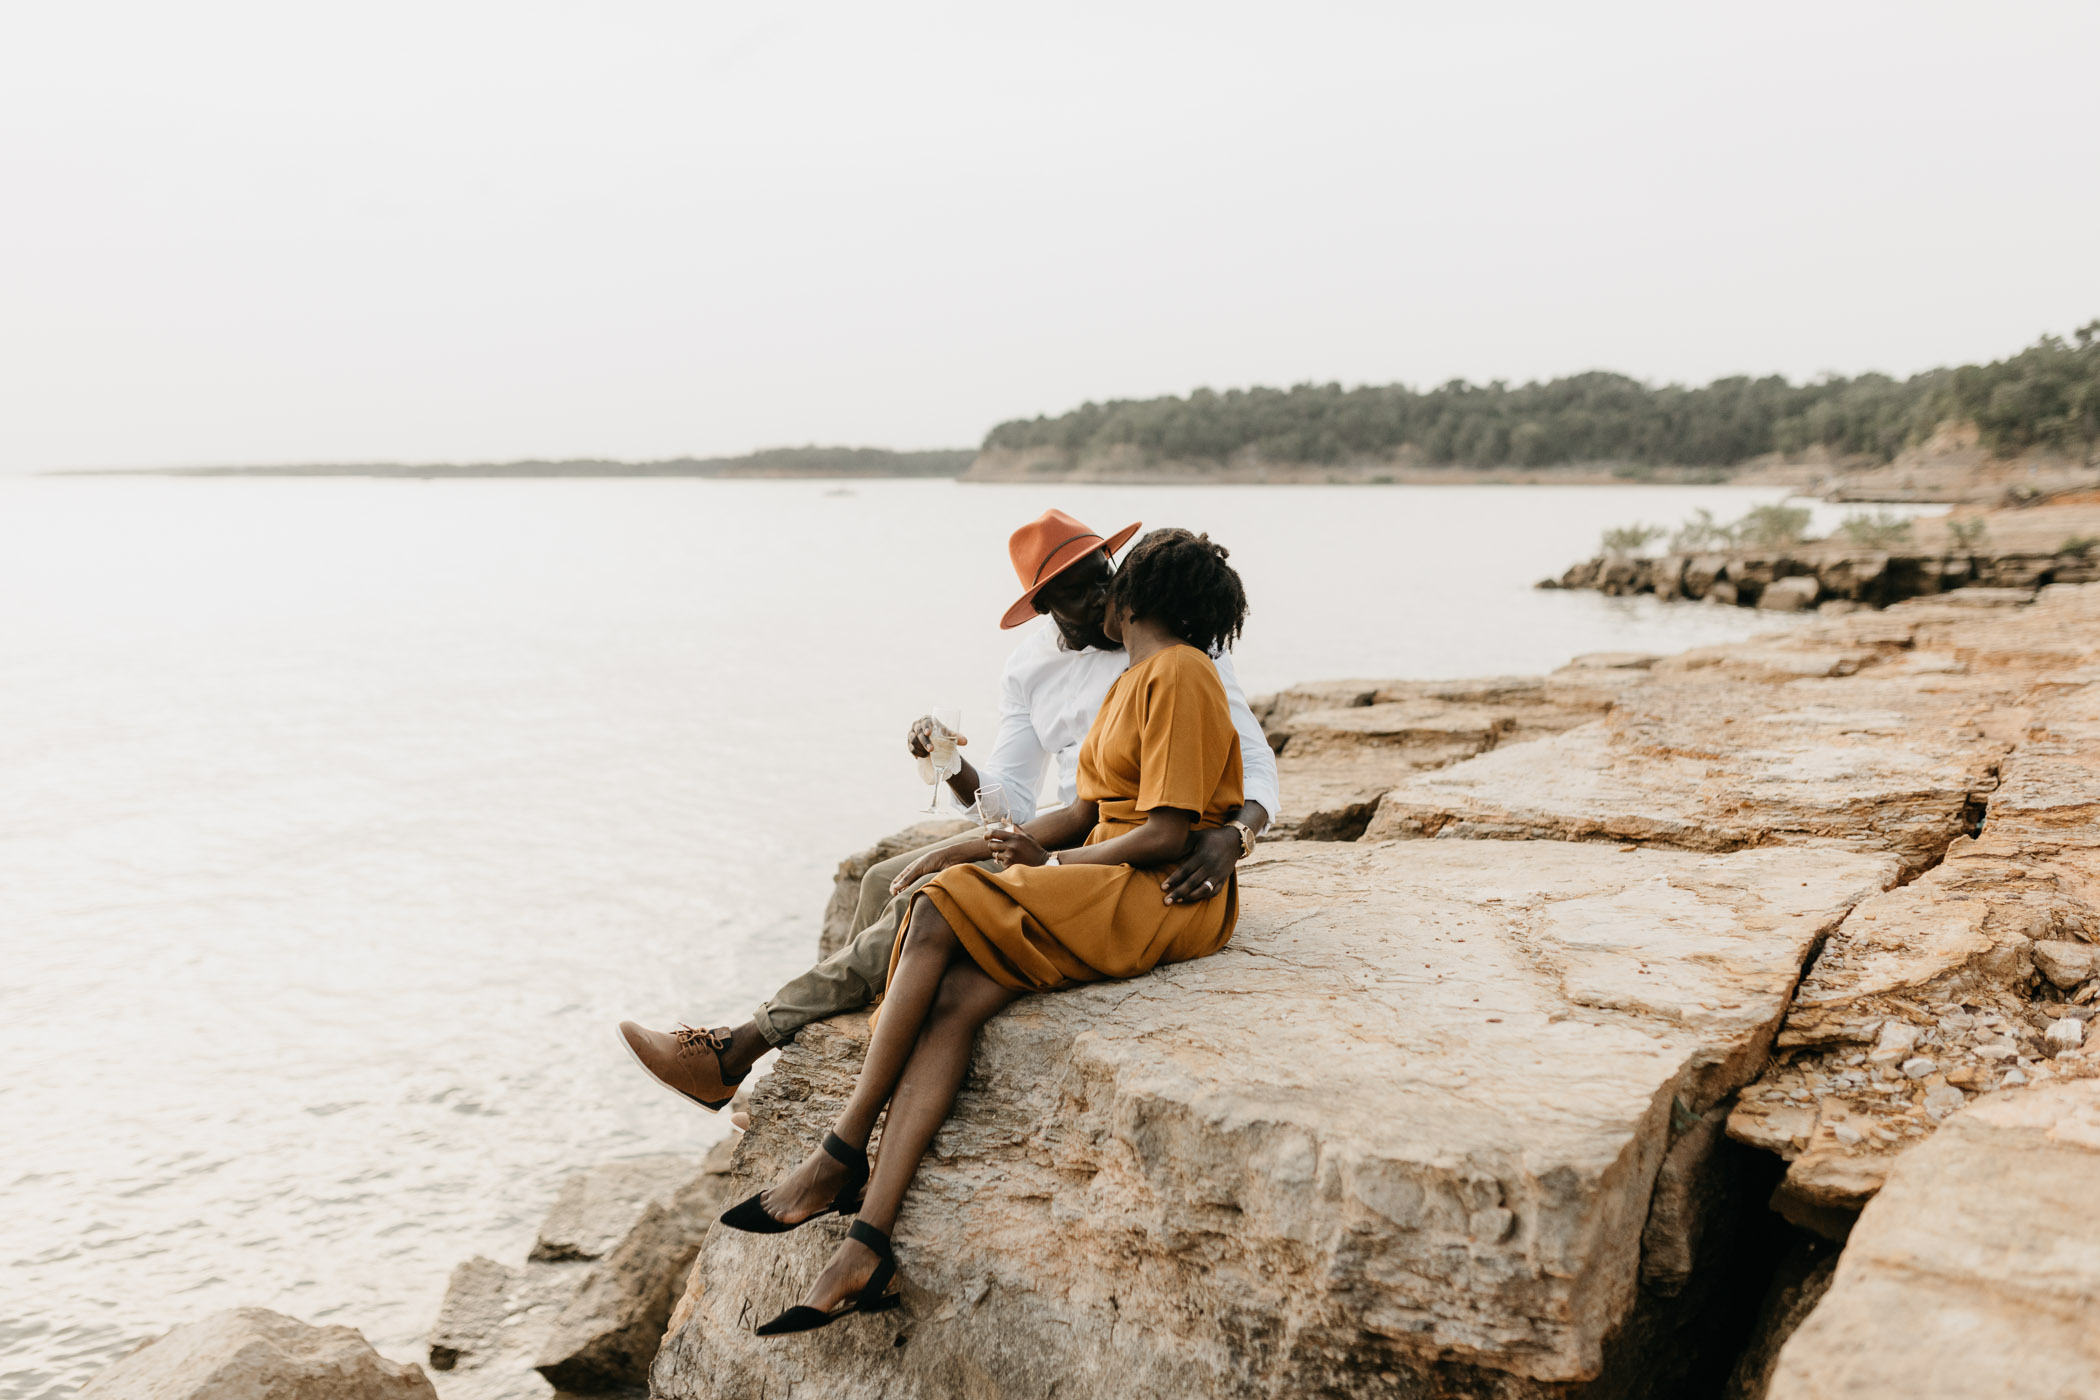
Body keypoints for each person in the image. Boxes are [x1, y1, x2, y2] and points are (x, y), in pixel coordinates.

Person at [724, 528, 1254, 1334]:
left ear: (1136, 600)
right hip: (1114, 874)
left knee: (941, 904)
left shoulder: (1182, 674)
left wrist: (1040, 867)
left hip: (1159, 894)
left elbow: (1169, 832)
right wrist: (980, 838)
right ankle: (867, 1242)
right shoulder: (1132, 680)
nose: (1103, 593)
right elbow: (1083, 808)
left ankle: (839, 1151)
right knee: (957, 998)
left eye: (1114, 581)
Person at [616, 510, 1279, 1119]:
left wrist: (1237, 835)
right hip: (1068, 831)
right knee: (882, 880)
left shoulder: (1171, 642)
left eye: (1103, 575)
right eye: (1076, 589)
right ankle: (871, 1026)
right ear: (1043, 606)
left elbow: (1255, 765)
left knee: (928, 898)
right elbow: (1015, 806)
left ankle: (739, 1047)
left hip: (1110, 856)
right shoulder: (1030, 671)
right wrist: (949, 765)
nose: (1101, 595)